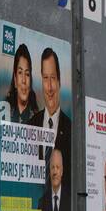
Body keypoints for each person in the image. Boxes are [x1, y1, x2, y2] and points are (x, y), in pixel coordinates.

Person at [35, 48, 71, 187]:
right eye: (45, 78)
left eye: (53, 78)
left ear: (59, 82)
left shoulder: (70, 128)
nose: (49, 87)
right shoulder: (31, 124)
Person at [4, 44, 38, 124]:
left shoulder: (38, 119)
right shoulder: (4, 114)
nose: (24, 80)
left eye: (27, 74)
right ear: (15, 80)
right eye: (20, 73)